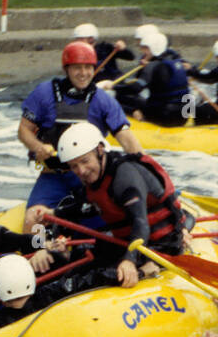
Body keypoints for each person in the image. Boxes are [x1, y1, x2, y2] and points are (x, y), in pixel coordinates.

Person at [42, 122, 185, 288]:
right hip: (125, 242)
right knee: (78, 266)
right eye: (74, 166)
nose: (81, 171)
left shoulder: (124, 177)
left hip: (160, 247)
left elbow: (141, 223)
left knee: (101, 277)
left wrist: (129, 260)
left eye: (85, 161)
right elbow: (90, 208)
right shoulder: (97, 176)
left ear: (100, 150)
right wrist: (54, 214)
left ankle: (144, 272)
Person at [17, 42, 142, 216]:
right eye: (77, 68)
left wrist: (141, 174)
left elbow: (128, 140)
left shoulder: (103, 100)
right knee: (33, 220)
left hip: (91, 179)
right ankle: (39, 243)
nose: (83, 73)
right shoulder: (44, 92)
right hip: (53, 176)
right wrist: (37, 147)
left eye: (87, 68)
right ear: (66, 69)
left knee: (108, 221)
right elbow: (24, 130)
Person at [117, 32, 190, 126]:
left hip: (164, 116)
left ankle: (135, 114)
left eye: (146, 48)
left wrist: (114, 87)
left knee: (120, 98)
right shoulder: (179, 62)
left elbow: (135, 89)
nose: (143, 51)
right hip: (185, 115)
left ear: (154, 48)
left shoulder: (152, 66)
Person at [72, 22, 134, 89]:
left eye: (80, 39)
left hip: (114, 82)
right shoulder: (76, 54)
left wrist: (123, 49)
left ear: (92, 39)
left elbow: (130, 57)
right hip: (94, 86)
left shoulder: (106, 48)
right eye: (77, 40)